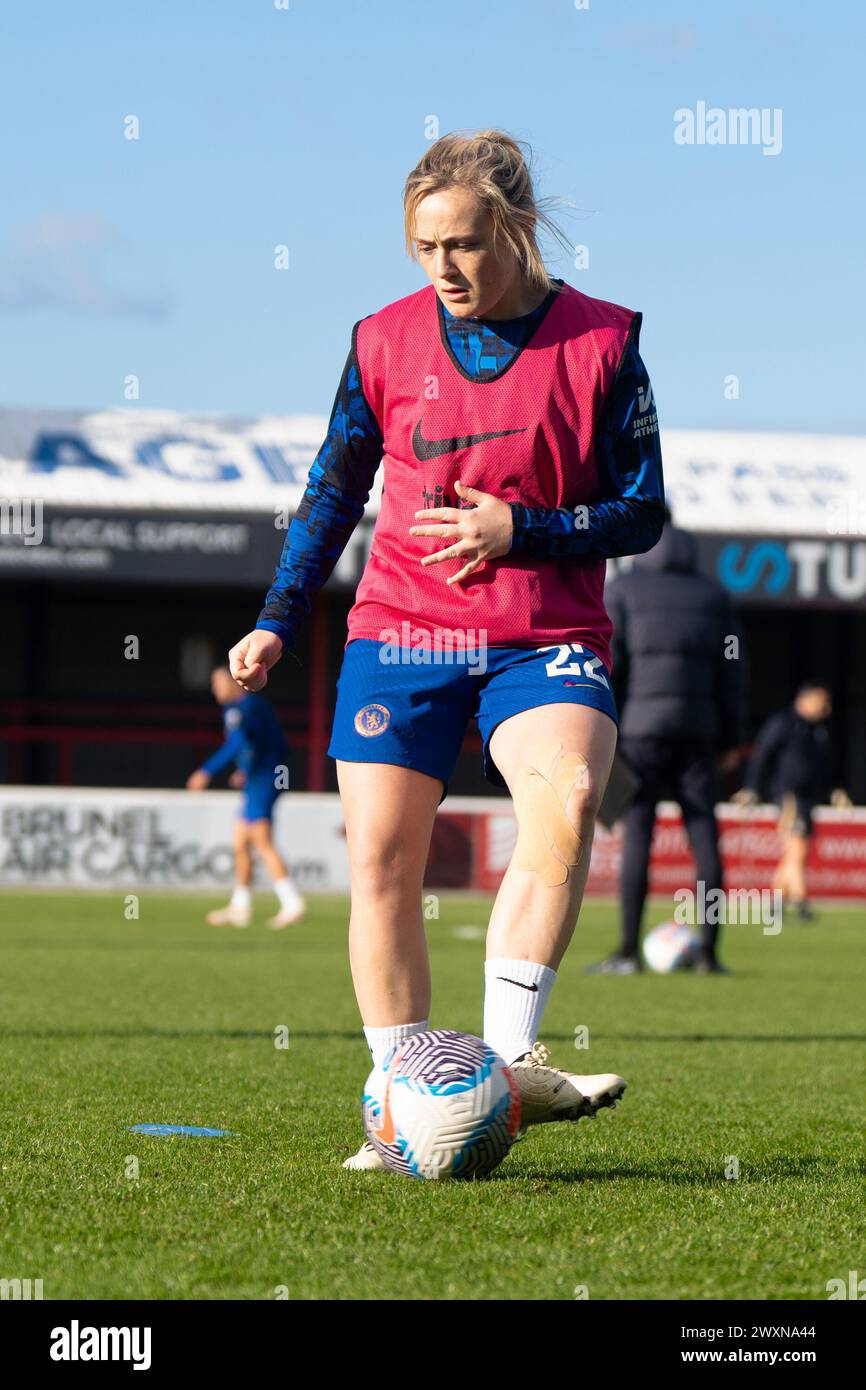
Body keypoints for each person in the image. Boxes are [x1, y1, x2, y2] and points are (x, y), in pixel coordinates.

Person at [228, 130, 665, 1169]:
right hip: (400, 628)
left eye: (464, 244)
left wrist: (526, 531)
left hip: (542, 634)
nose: (442, 268)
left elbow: (641, 512)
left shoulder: (602, 342)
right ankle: (398, 1102)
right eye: (423, 246)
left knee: (563, 800)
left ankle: (504, 1068)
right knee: (381, 859)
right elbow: (333, 489)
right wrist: (275, 619)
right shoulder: (381, 340)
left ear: (512, 230)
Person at [588, 518, 746, 975]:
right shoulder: (713, 596)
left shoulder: (625, 589)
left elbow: (610, 663)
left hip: (638, 732)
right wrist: (730, 737)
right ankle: (710, 954)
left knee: (638, 836)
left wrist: (606, 727)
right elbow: (733, 671)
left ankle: (627, 952)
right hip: (699, 733)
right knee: (705, 839)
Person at [186, 666, 305, 929]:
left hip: (266, 779)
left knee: (261, 840)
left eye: (218, 683)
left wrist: (206, 771)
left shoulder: (246, 706)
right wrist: (245, 770)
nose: (215, 690)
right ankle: (240, 907)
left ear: (235, 682)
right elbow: (260, 742)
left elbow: (239, 743)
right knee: (240, 842)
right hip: (258, 777)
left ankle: (292, 902)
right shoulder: (240, 709)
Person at [734, 683, 850, 920]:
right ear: (805, 700)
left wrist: (835, 790)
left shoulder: (818, 731)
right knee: (797, 847)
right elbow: (761, 756)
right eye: (822, 702)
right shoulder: (782, 724)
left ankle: (776, 905)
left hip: (809, 799)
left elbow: (826, 767)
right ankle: (801, 902)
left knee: (795, 853)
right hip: (787, 797)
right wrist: (751, 788)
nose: (826, 708)